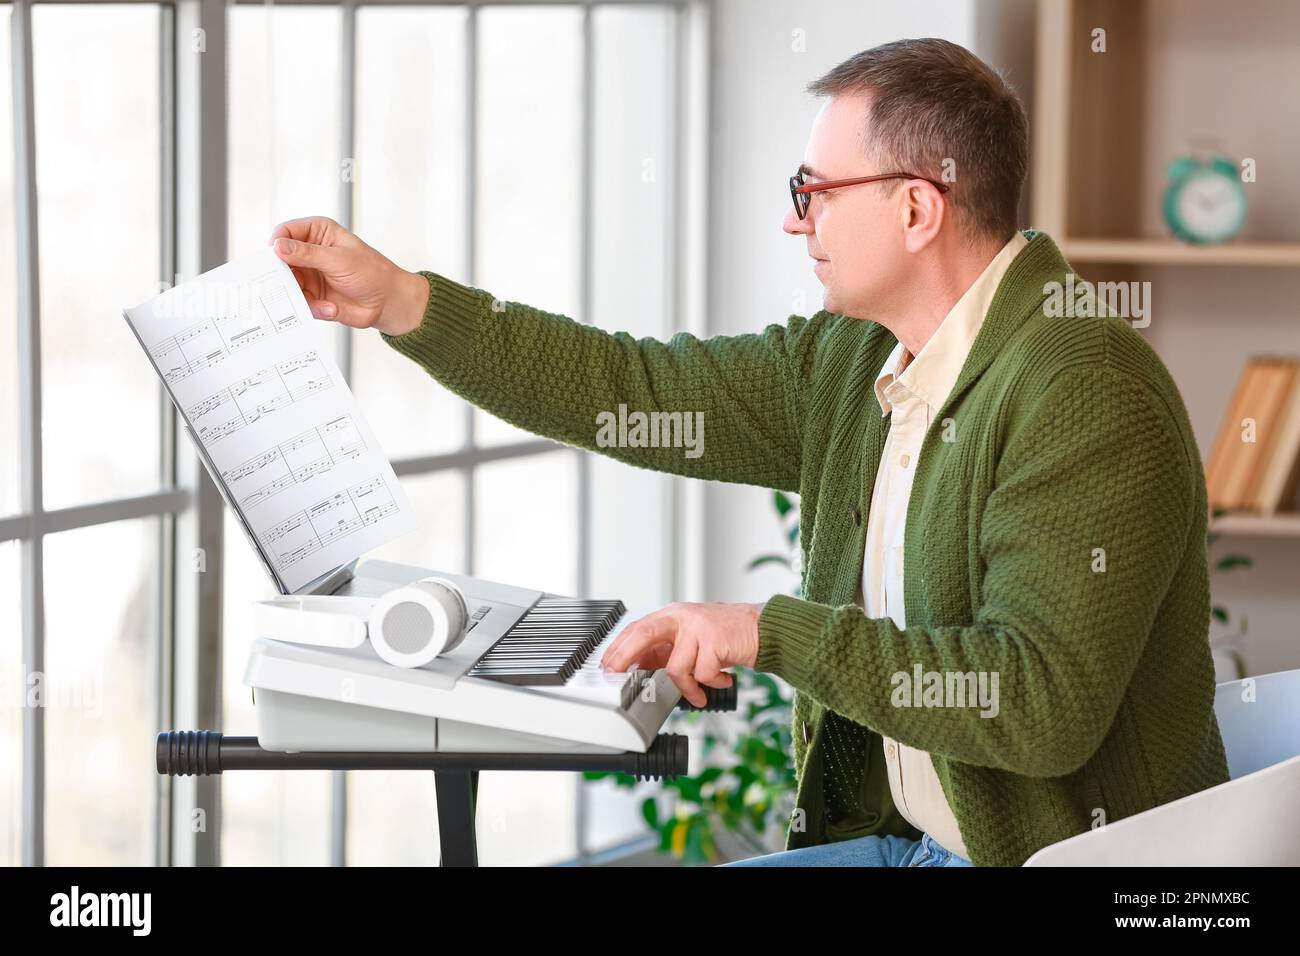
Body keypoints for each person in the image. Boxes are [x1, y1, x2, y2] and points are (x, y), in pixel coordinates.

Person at [269, 38, 1229, 867]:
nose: (792, 219)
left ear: (915, 209)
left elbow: (1036, 703)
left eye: (811, 191)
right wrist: (400, 301)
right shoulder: (860, 358)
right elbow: (635, 392)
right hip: (920, 844)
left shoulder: (1084, 389)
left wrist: (767, 633)